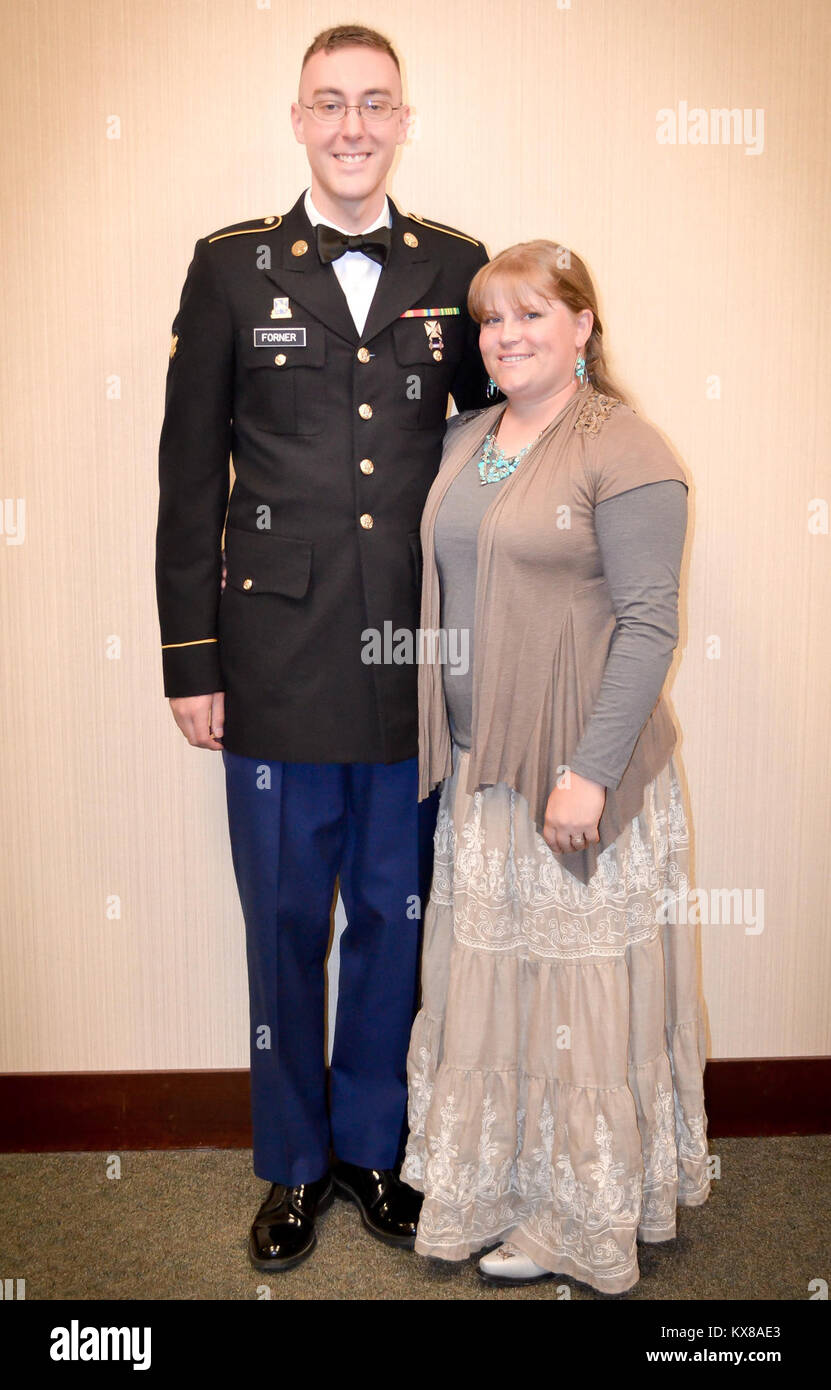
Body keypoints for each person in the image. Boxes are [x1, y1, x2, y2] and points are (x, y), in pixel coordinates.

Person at [154, 23, 490, 1273]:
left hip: (412, 671)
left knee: (396, 925)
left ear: (406, 119)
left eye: (376, 103)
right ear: (297, 119)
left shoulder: (459, 268)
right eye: (329, 102)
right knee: (288, 921)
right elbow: (190, 477)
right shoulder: (232, 268)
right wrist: (194, 656)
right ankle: (293, 1166)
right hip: (276, 663)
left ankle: (370, 1150)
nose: (353, 124)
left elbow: (503, 439)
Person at [402, 239, 711, 1295]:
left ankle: (576, 1213)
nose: (508, 337)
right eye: (492, 321)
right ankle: (499, 1187)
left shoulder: (623, 447)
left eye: (534, 315)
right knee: (501, 992)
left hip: (576, 778)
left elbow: (648, 623)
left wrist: (588, 769)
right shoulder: (471, 435)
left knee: (574, 1001)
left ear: (582, 325)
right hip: (483, 768)